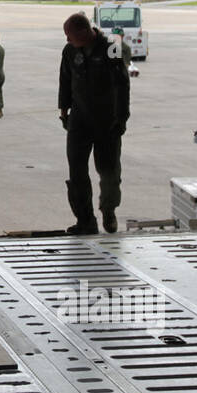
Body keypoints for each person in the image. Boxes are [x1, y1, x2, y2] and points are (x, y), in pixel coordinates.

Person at [59, 12, 130, 234]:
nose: (68, 40)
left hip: (107, 120)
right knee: (77, 171)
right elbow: (65, 80)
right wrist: (64, 110)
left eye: (70, 35)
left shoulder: (110, 47)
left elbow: (122, 85)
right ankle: (85, 220)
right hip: (79, 119)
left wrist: (121, 118)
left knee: (108, 170)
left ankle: (108, 211)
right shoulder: (70, 51)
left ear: (83, 31)